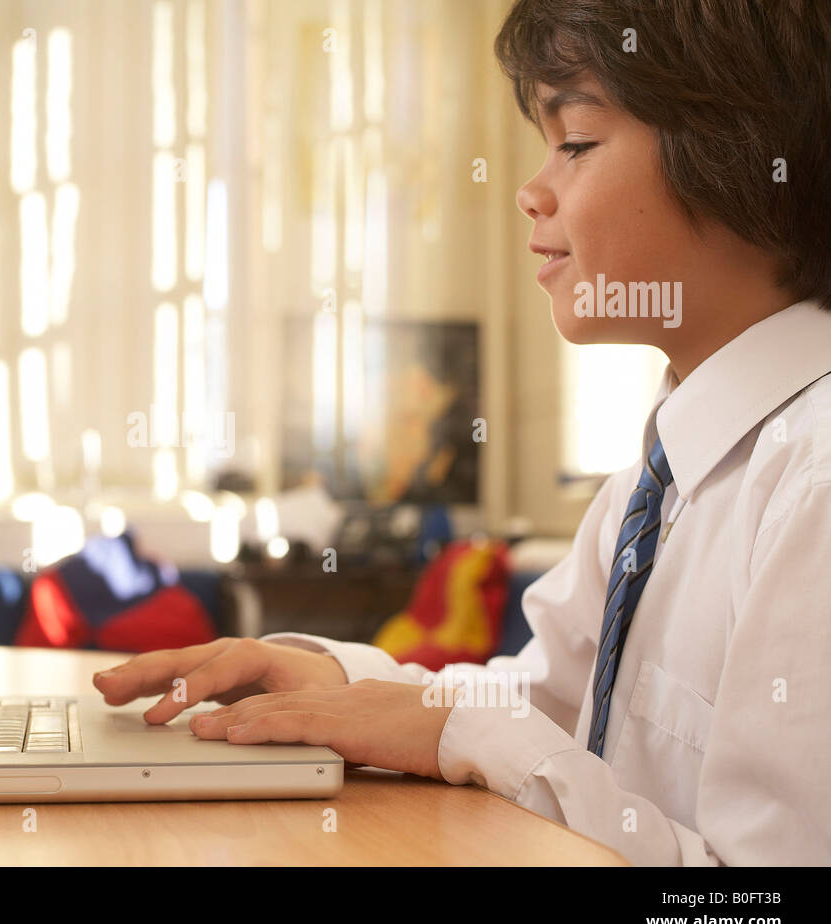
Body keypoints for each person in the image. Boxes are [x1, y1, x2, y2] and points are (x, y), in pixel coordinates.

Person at [94, 0, 831, 866]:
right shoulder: (665, 469)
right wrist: (340, 683)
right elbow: (543, 708)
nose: (531, 190)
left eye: (577, 142)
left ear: (737, 156)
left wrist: (461, 736)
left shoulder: (811, 483)